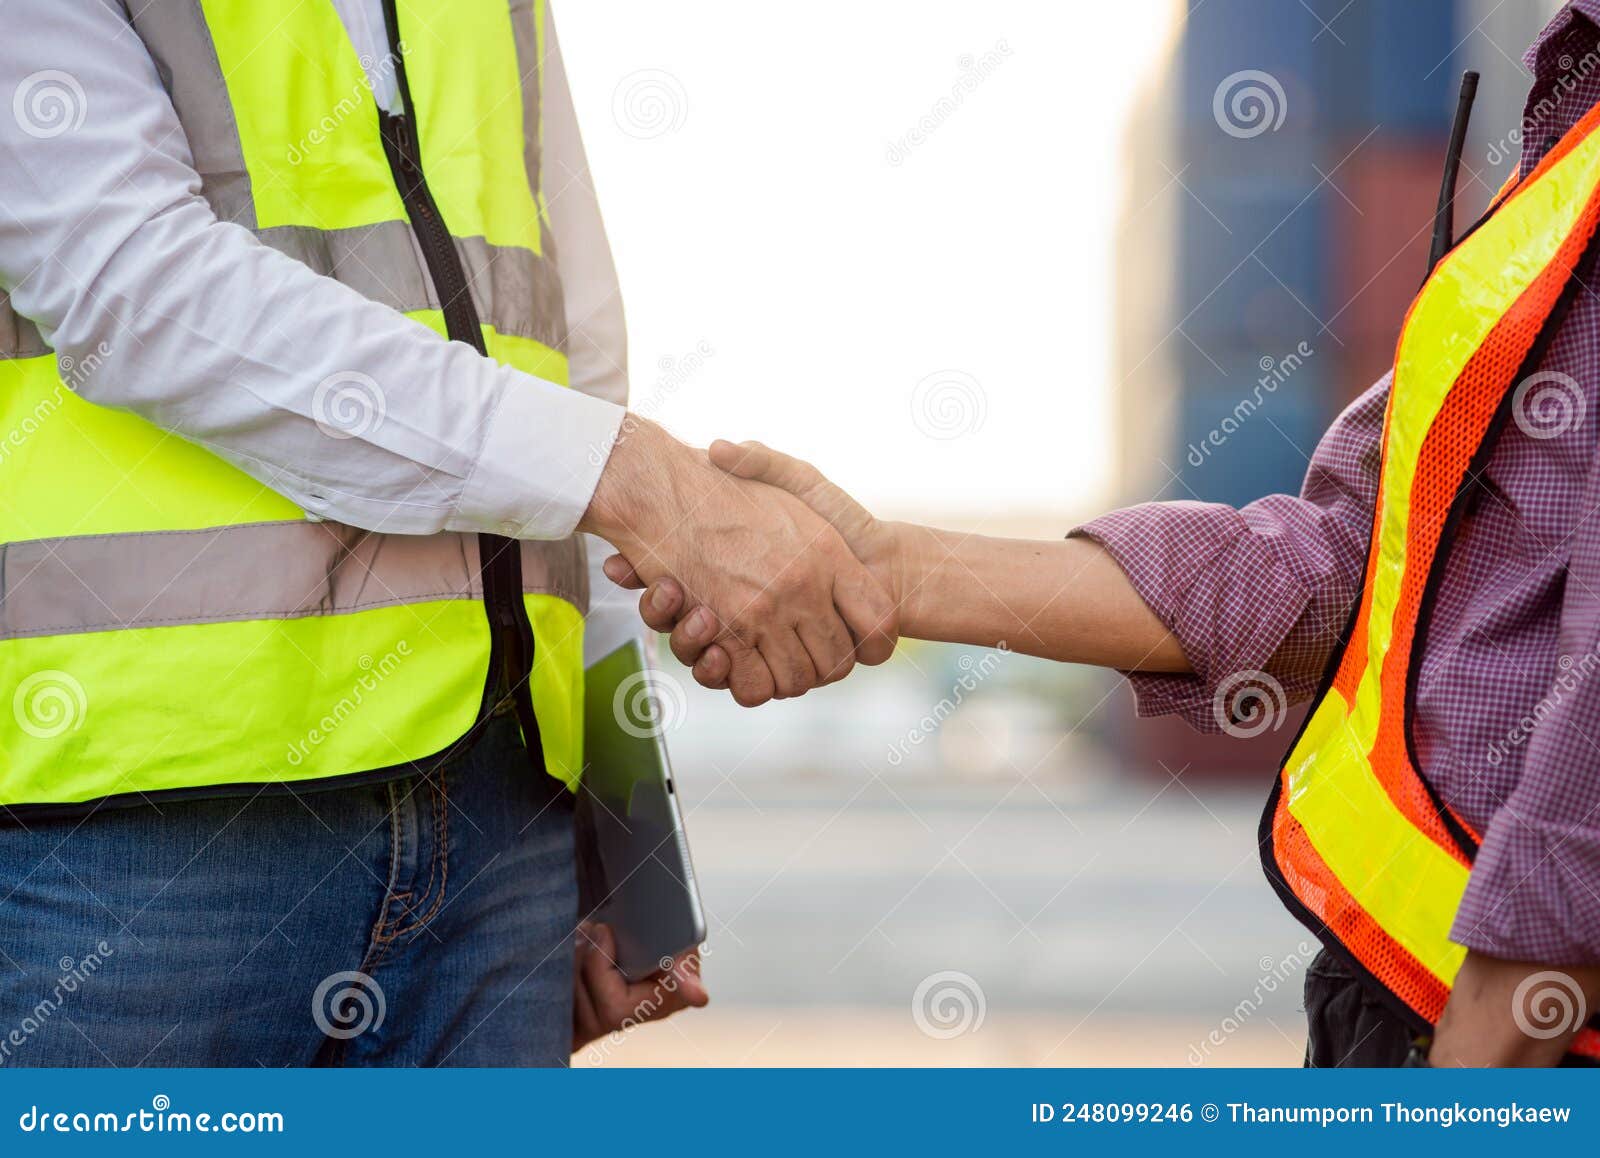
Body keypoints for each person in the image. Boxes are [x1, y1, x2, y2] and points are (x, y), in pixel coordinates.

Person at [627, 1, 1600, 1067]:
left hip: (1506, 1033)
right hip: (1422, 998)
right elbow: (1347, 569)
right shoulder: (1572, 133)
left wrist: (1495, 1035)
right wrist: (882, 568)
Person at [0, 1, 892, 1066]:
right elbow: (125, 279)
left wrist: (625, 829)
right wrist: (638, 478)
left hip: (497, 821)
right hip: (148, 830)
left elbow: (577, 351)